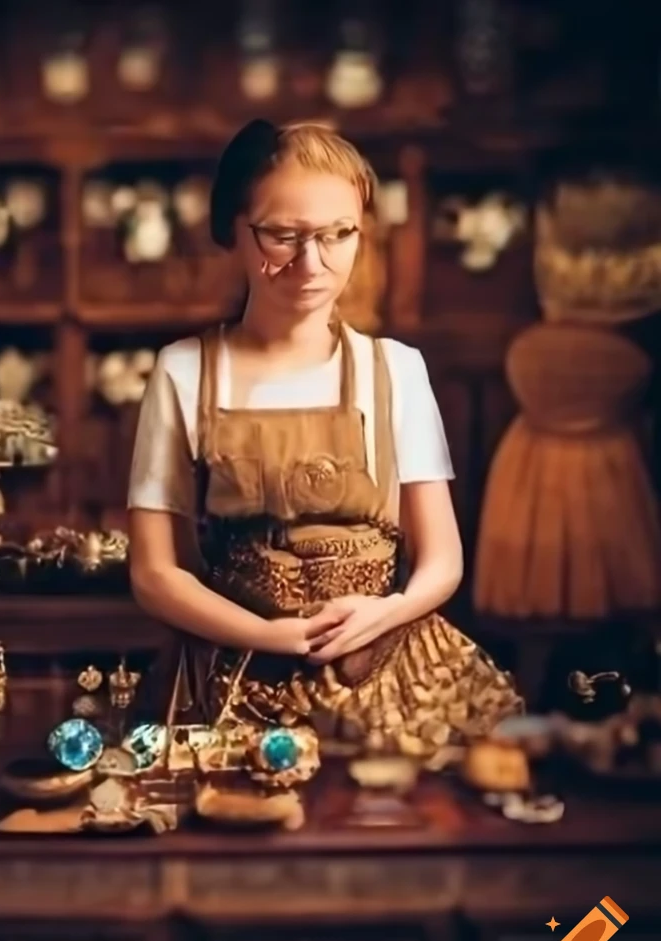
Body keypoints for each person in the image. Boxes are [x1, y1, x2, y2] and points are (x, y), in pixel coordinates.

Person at [126, 119, 523, 761]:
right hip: (233, 678)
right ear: (232, 228)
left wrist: (384, 612)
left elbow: (442, 559)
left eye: (339, 235)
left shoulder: (395, 369)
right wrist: (270, 634)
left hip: (389, 669)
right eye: (284, 236)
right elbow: (153, 573)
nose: (313, 263)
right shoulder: (185, 371)